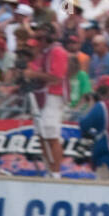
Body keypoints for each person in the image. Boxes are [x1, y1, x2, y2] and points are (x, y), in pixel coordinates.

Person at [23, 23, 70, 175]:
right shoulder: (45, 52)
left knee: (51, 135)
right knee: (42, 134)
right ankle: (49, 168)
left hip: (53, 95)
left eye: (41, 38)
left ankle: (56, 171)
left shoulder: (57, 51)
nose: (38, 41)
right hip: (43, 95)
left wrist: (34, 74)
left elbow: (56, 77)